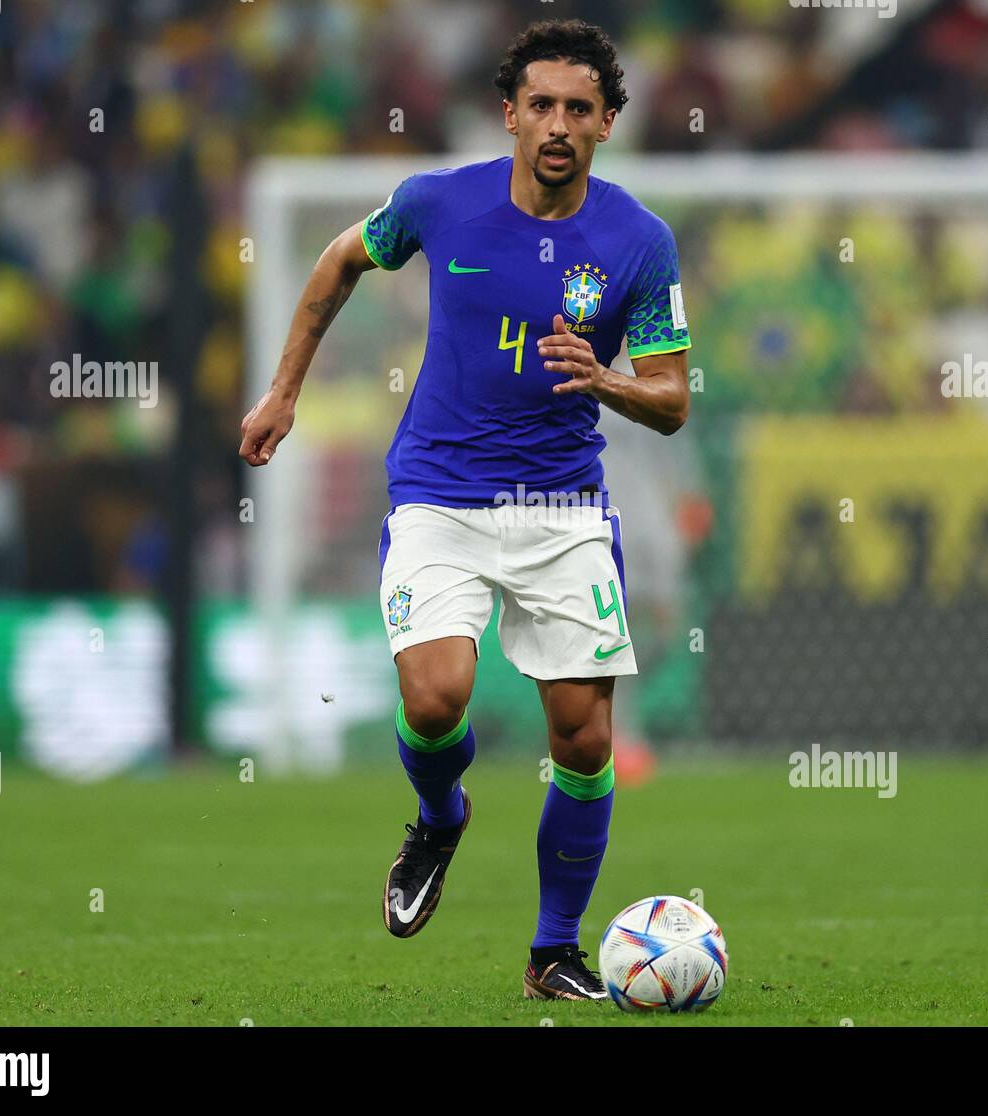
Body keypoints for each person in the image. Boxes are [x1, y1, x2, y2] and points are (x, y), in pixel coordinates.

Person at [238, 19, 691, 1001]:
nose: (558, 124)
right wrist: (284, 393)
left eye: (579, 108)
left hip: (564, 508)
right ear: (511, 116)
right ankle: (440, 818)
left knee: (583, 741)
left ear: (608, 123)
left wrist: (606, 379)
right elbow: (338, 261)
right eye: (541, 107)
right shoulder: (439, 203)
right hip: (440, 492)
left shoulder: (639, 242)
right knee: (435, 699)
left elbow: (672, 399)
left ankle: (551, 952)